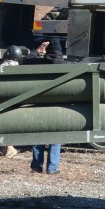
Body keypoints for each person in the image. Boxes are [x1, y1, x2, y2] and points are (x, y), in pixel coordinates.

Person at [26, 38, 64, 174]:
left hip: (40, 106)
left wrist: (37, 51)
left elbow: (25, 61)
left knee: (38, 136)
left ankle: (37, 166)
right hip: (57, 108)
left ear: (47, 50)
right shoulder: (66, 65)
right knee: (55, 139)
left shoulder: (39, 63)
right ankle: (52, 168)